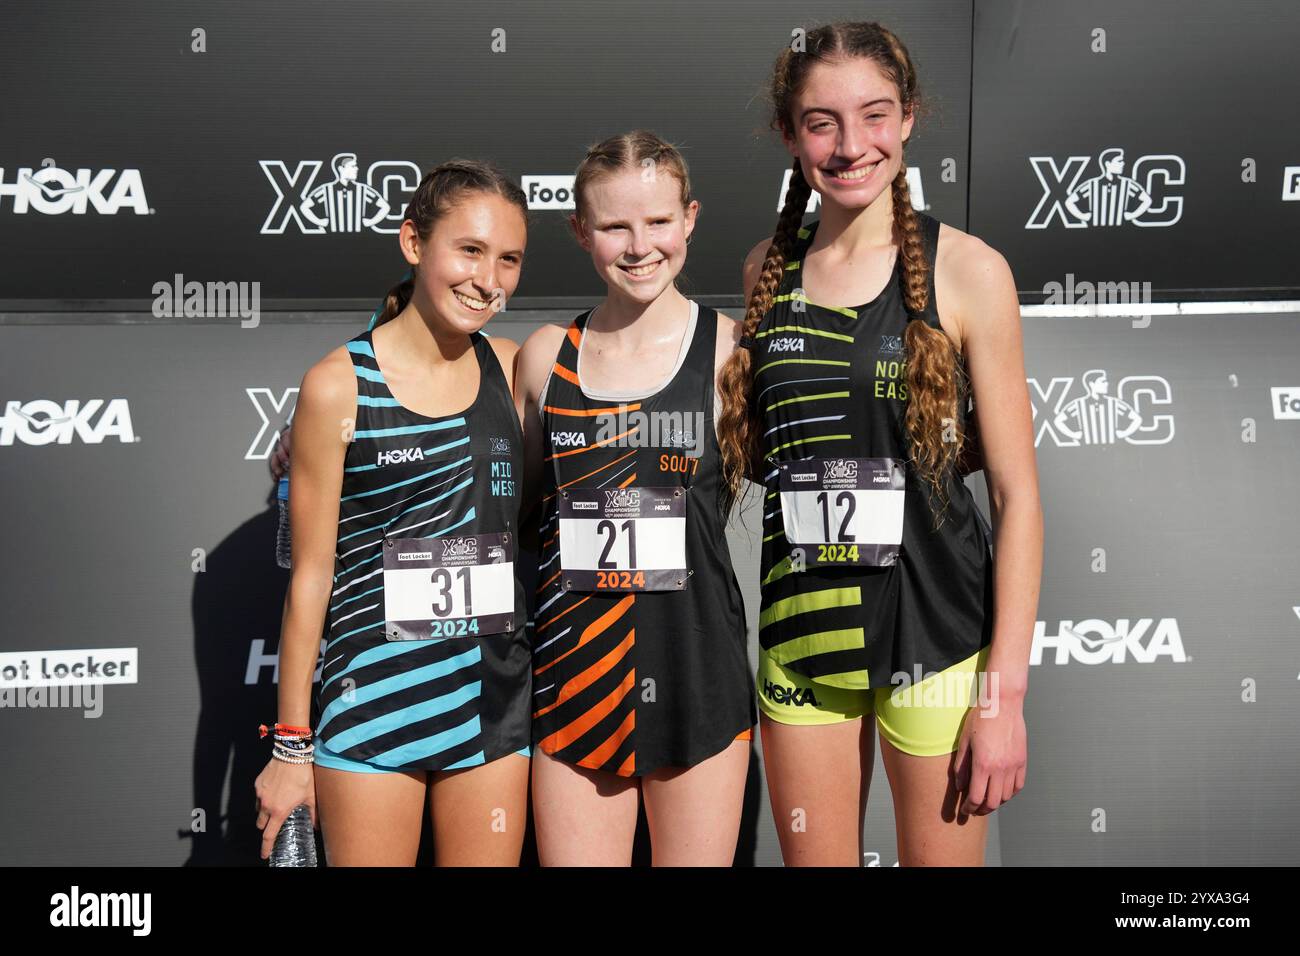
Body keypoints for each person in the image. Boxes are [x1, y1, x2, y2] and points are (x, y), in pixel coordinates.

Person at [716, 22, 1042, 866]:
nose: (851, 145)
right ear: (789, 134)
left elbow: (1016, 497)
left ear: (909, 118)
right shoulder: (762, 272)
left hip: (935, 640)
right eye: (821, 122)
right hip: (802, 641)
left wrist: (1002, 699)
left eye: (875, 114)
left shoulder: (970, 271)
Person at [254, 159, 533, 866]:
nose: (488, 280)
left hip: (491, 710)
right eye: (468, 251)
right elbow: (311, 577)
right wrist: (292, 746)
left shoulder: (515, 367)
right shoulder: (338, 384)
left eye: (508, 259)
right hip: (373, 707)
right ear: (413, 242)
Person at [513, 131, 756, 866]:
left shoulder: (730, 350)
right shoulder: (542, 356)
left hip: (699, 679)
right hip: (573, 688)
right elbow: (509, 502)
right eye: (615, 225)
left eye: (657, 222)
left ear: (690, 218)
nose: (638, 244)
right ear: (580, 231)